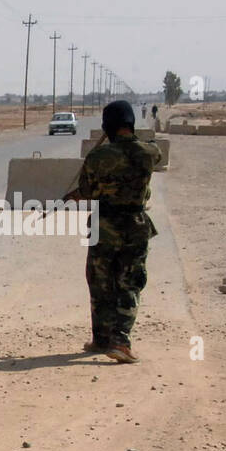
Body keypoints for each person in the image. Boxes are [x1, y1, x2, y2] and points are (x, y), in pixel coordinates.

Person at [63, 100, 163, 363]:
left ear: (107, 126)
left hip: (104, 227)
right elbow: (153, 154)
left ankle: (103, 338)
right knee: (129, 284)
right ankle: (120, 341)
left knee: (100, 283)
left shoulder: (98, 157)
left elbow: (88, 191)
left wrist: (75, 195)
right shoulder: (148, 153)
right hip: (135, 227)